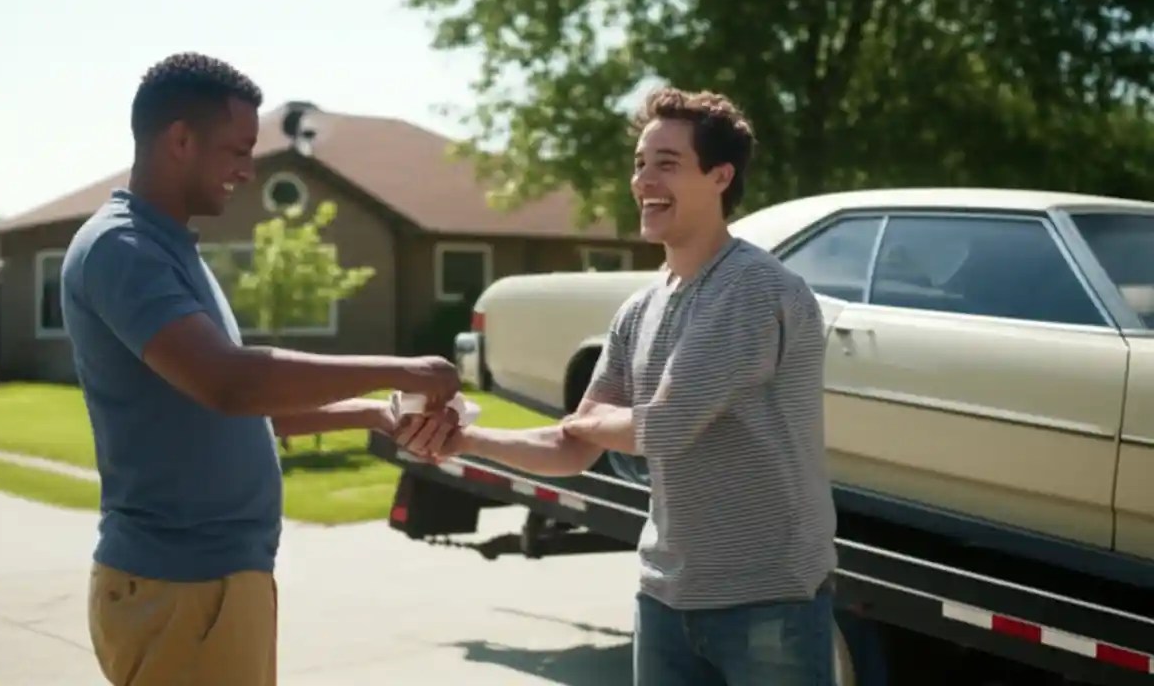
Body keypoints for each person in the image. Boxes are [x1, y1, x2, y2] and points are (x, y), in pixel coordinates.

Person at [393, 86, 838, 685]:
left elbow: (664, 426)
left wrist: (590, 421)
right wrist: (463, 439)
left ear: (720, 177)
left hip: (767, 600)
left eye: (667, 164)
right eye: (639, 163)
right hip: (665, 598)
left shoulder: (752, 289)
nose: (643, 180)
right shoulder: (639, 310)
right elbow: (572, 449)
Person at [60, 52, 460, 686]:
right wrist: (405, 371)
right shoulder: (122, 248)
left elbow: (240, 407)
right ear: (180, 140)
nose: (247, 171)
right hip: (181, 585)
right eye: (237, 151)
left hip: (211, 583)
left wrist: (367, 413)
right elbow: (230, 382)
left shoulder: (168, 250)